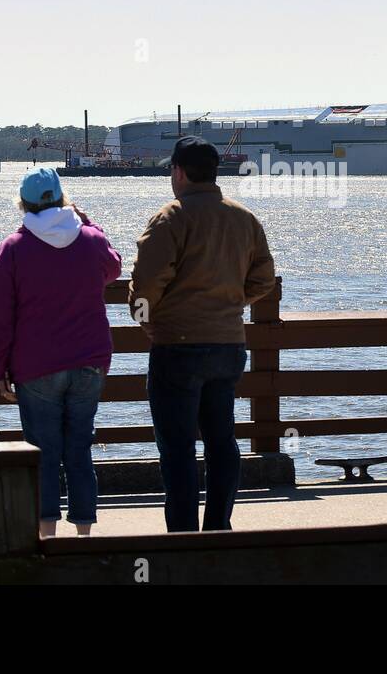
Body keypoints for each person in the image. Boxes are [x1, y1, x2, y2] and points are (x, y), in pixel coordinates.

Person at [128, 136, 277, 532]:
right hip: (228, 343)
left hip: (177, 346)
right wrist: (230, 304)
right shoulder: (243, 218)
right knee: (221, 441)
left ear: (178, 171)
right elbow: (264, 278)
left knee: (177, 448)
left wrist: (145, 319)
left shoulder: (171, 217)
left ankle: (182, 535)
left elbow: (146, 283)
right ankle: (218, 527)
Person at [0, 167, 122, 537]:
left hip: (36, 365)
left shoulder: (14, 248)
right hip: (89, 362)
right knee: (79, 448)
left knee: (42, 453)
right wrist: (91, 224)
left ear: (23, 204)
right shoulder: (90, 239)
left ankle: (46, 535)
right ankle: (84, 536)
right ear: (62, 198)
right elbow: (114, 267)